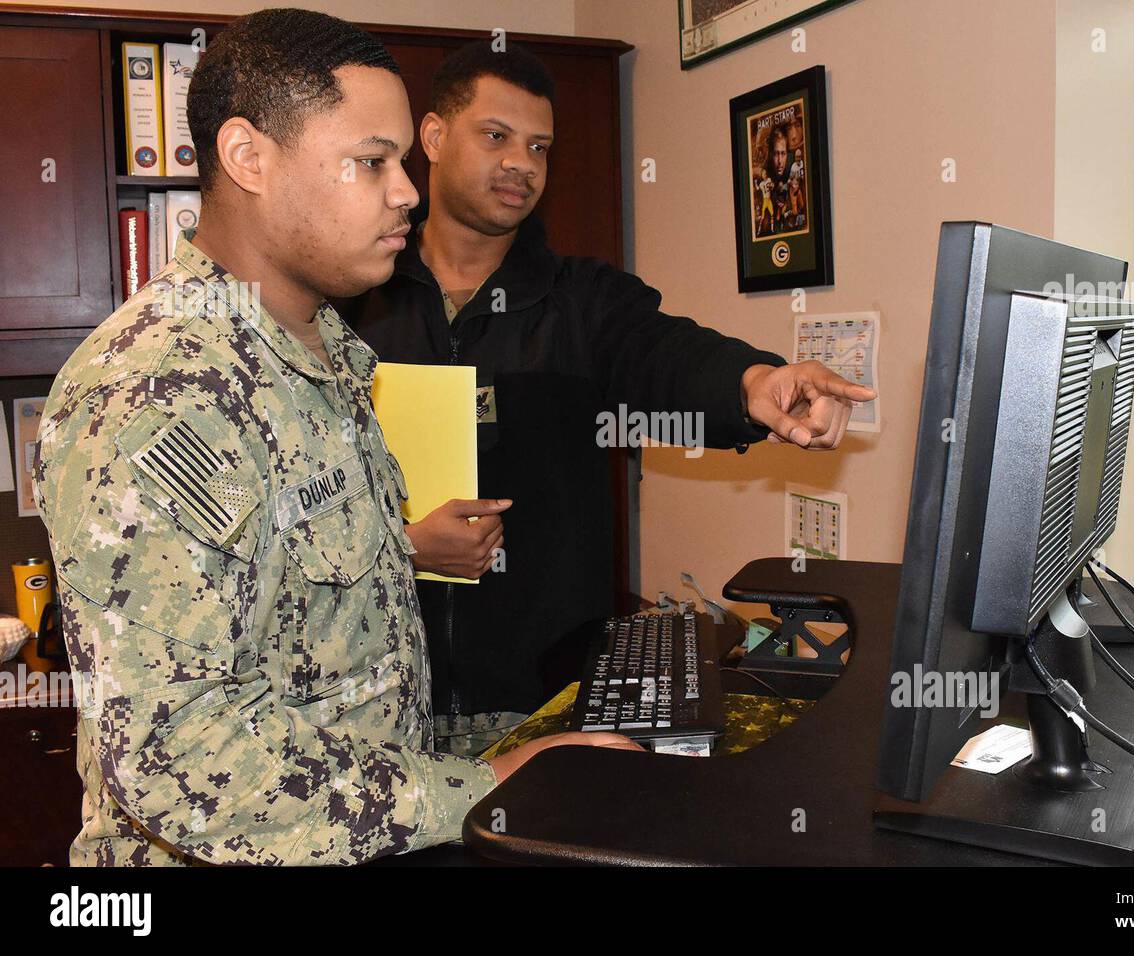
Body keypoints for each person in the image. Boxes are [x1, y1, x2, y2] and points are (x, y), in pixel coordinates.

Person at [32, 9, 637, 867]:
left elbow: (304, 602)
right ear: (248, 158)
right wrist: (487, 781)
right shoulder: (159, 390)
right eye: (371, 162)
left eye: (401, 159)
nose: (408, 191)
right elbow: (183, 759)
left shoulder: (326, 352)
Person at [339, 40, 873, 755]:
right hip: (377, 711)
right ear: (433, 137)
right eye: (496, 136)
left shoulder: (584, 301)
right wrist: (403, 551)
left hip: (545, 707)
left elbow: (665, 355)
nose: (522, 164)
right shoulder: (350, 303)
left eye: (539, 146)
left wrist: (754, 384)